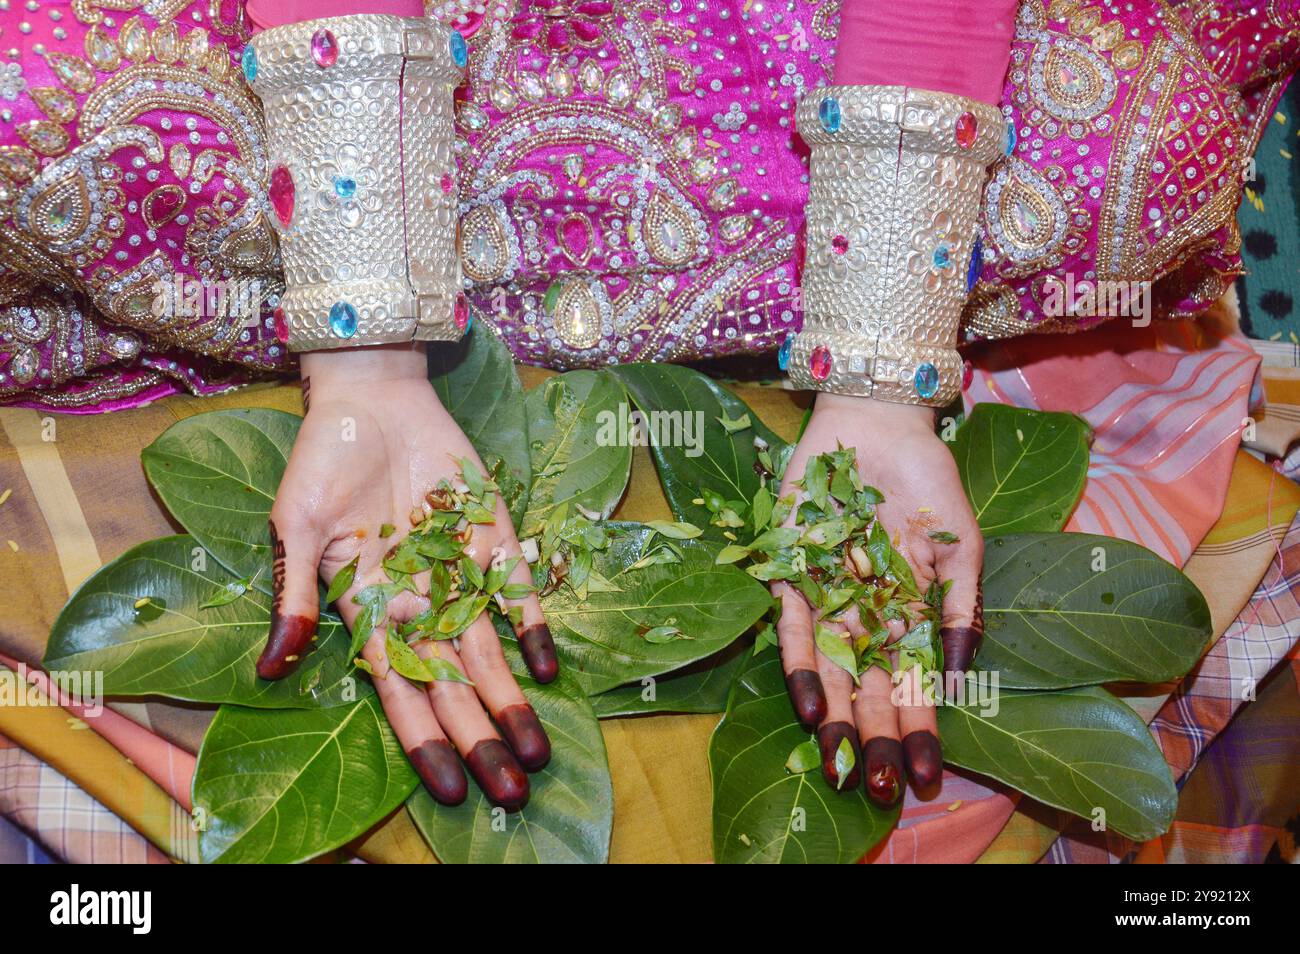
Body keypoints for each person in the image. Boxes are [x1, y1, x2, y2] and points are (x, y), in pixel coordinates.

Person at [1, 0, 1291, 814]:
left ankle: (410, 280)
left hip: (753, 63)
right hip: (348, 51)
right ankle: (425, 279)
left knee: (1150, 143)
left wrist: (880, 377)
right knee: (30, 84)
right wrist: (371, 353)